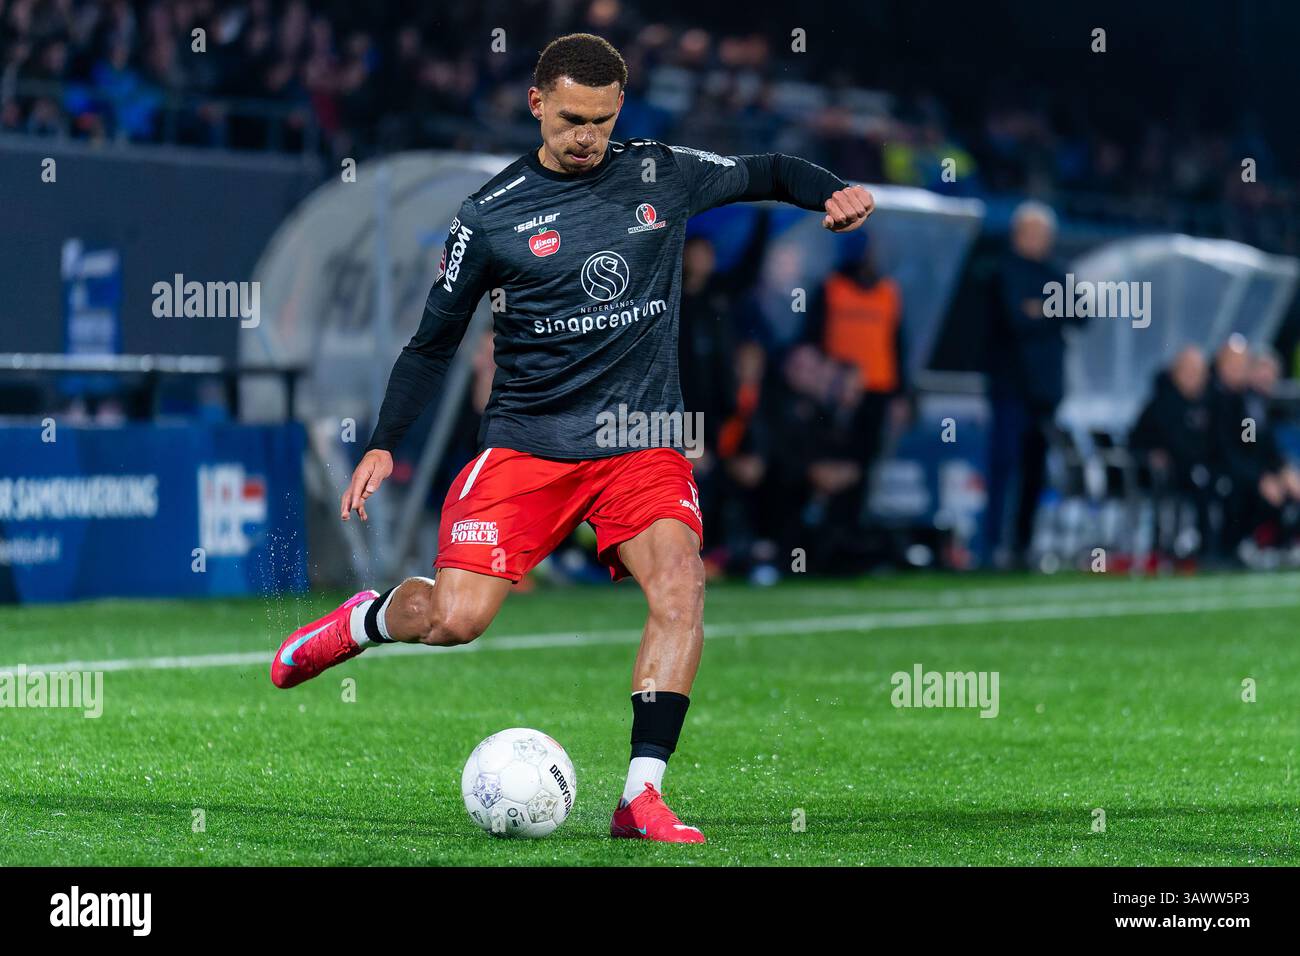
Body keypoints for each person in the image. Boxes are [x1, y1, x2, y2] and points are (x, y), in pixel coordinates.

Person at [267, 34, 873, 843]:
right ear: (536, 104)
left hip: (640, 439)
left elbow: (766, 170)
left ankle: (640, 795)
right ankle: (364, 621)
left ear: (619, 108)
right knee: (456, 620)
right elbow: (431, 342)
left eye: (600, 119)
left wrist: (830, 190)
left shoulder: (661, 170)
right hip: (528, 444)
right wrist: (383, 441)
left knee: (681, 584)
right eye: (570, 119)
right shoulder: (490, 214)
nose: (585, 136)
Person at [982, 200, 1078, 567]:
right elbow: (1017, 319)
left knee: (1035, 471)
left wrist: (1041, 310)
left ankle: (1022, 545)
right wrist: (1053, 311)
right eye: (1032, 232)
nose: (1039, 240)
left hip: (1046, 391)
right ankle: (991, 546)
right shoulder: (1002, 270)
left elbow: (1082, 313)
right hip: (1011, 386)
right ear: (1018, 234)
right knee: (1003, 467)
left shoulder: (1055, 271)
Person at [1129, 345, 1213, 556]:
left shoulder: (1209, 403)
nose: (1195, 378)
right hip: (1164, 474)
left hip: (1198, 467)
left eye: (1199, 373)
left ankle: (1212, 548)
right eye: (1189, 371)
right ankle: (1167, 547)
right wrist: (1150, 454)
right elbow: (1138, 441)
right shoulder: (1160, 404)